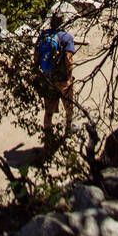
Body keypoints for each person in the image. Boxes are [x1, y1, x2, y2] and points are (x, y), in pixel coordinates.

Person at [34, 11, 75, 140]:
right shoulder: (66, 37)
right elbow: (68, 59)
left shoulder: (43, 35)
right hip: (62, 79)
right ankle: (68, 129)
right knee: (68, 106)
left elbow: (36, 57)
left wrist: (39, 72)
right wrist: (69, 78)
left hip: (47, 78)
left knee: (49, 109)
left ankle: (48, 134)